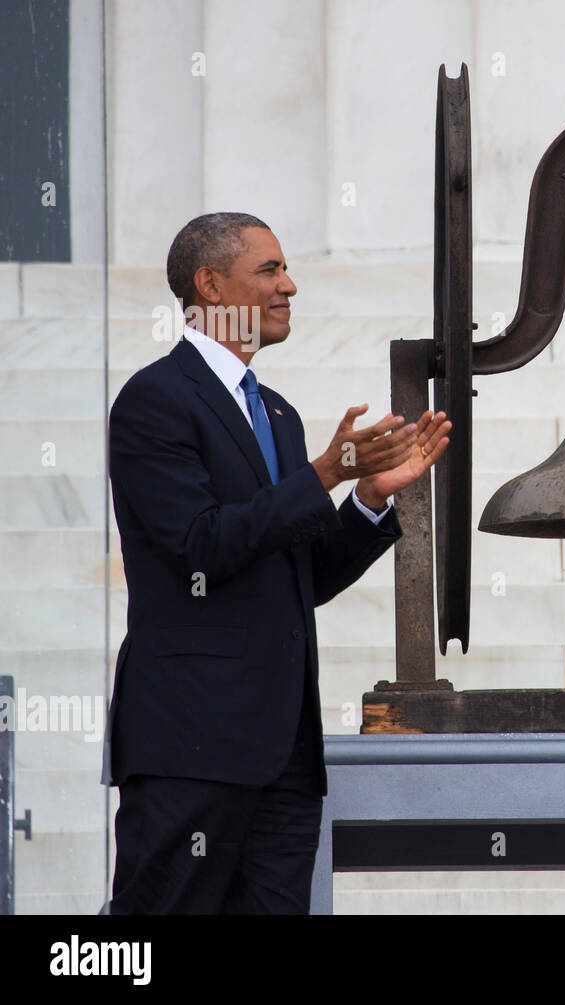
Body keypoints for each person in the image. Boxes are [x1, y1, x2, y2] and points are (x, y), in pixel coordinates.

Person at [101, 212, 451, 913]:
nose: (288, 285)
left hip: (285, 757)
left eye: (286, 270)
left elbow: (300, 576)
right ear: (209, 283)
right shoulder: (155, 401)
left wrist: (369, 500)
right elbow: (201, 546)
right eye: (269, 270)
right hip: (192, 747)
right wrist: (323, 473)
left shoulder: (280, 416)